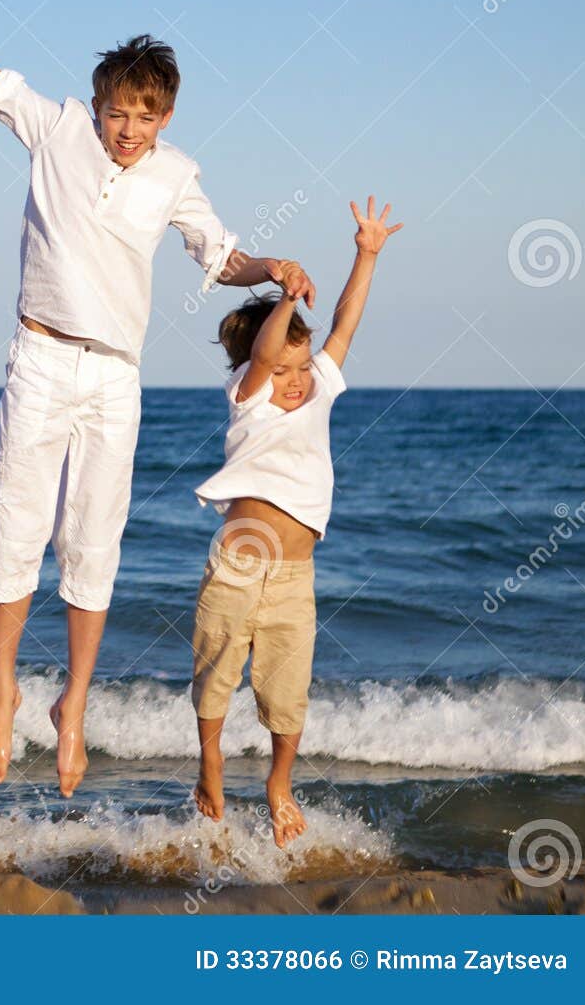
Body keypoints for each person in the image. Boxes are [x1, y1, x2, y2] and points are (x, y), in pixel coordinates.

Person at [0, 0, 315, 796]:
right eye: (117, 112)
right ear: (98, 105)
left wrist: (270, 267)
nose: (127, 130)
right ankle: (3, 693)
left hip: (113, 375)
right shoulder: (59, 128)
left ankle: (74, 704)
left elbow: (219, 257)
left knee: (94, 541)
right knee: (14, 523)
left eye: (144, 116)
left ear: (165, 117)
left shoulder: (176, 174)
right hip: (39, 355)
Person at [190, 197, 402, 846]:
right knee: (214, 676)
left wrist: (366, 253)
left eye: (302, 367)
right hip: (237, 563)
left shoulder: (318, 385)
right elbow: (263, 353)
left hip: (293, 575)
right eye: (285, 367)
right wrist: (283, 293)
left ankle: (279, 781)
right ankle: (211, 760)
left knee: (288, 695)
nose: (294, 379)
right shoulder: (249, 394)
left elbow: (342, 324)